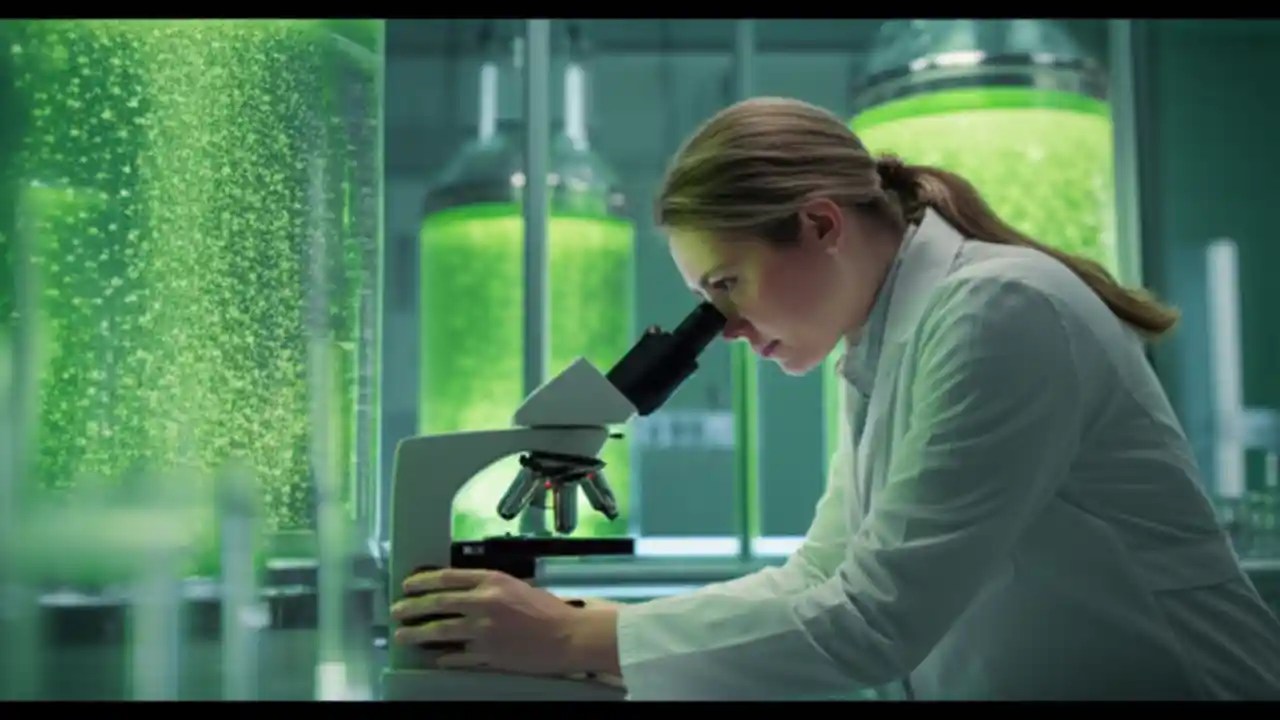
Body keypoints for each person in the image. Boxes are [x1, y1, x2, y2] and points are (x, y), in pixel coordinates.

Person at [390, 97, 1280, 700]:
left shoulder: (999, 311)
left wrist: (569, 641)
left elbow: (871, 621)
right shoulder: (894, 338)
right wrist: (582, 627)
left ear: (820, 224)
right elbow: (819, 578)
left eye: (727, 284)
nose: (726, 330)